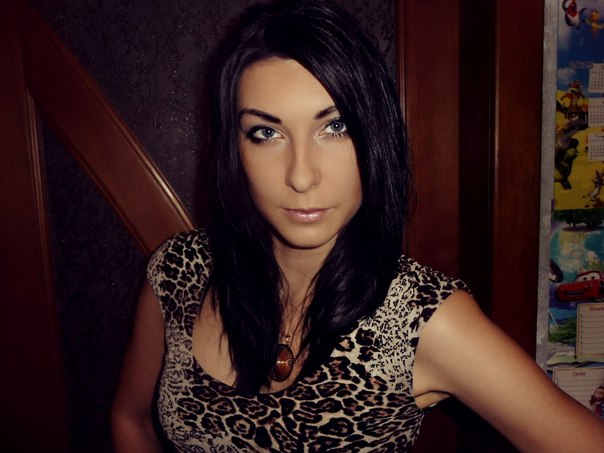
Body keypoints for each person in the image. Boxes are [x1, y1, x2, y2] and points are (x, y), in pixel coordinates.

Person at [111, 0, 604, 451]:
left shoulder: (421, 319)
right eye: (266, 132)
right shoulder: (180, 271)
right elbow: (130, 419)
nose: (301, 176)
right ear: (233, 149)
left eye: (335, 127)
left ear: (374, 132)